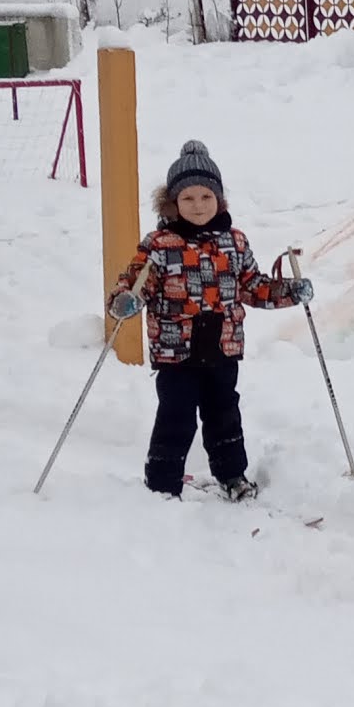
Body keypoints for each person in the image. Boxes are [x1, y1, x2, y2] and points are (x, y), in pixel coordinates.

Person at [107, 140, 308, 500]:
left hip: (222, 347)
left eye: (206, 197)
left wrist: (290, 291)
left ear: (219, 199)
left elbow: (253, 287)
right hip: (176, 351)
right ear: (172, 202)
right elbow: (136, 283)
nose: (198, 206)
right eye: (188, 199)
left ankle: (232, 475)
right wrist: (125, 301)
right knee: (176, 416)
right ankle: (163, 484)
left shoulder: (235, 242)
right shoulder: (159, 245)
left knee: (224, 414)